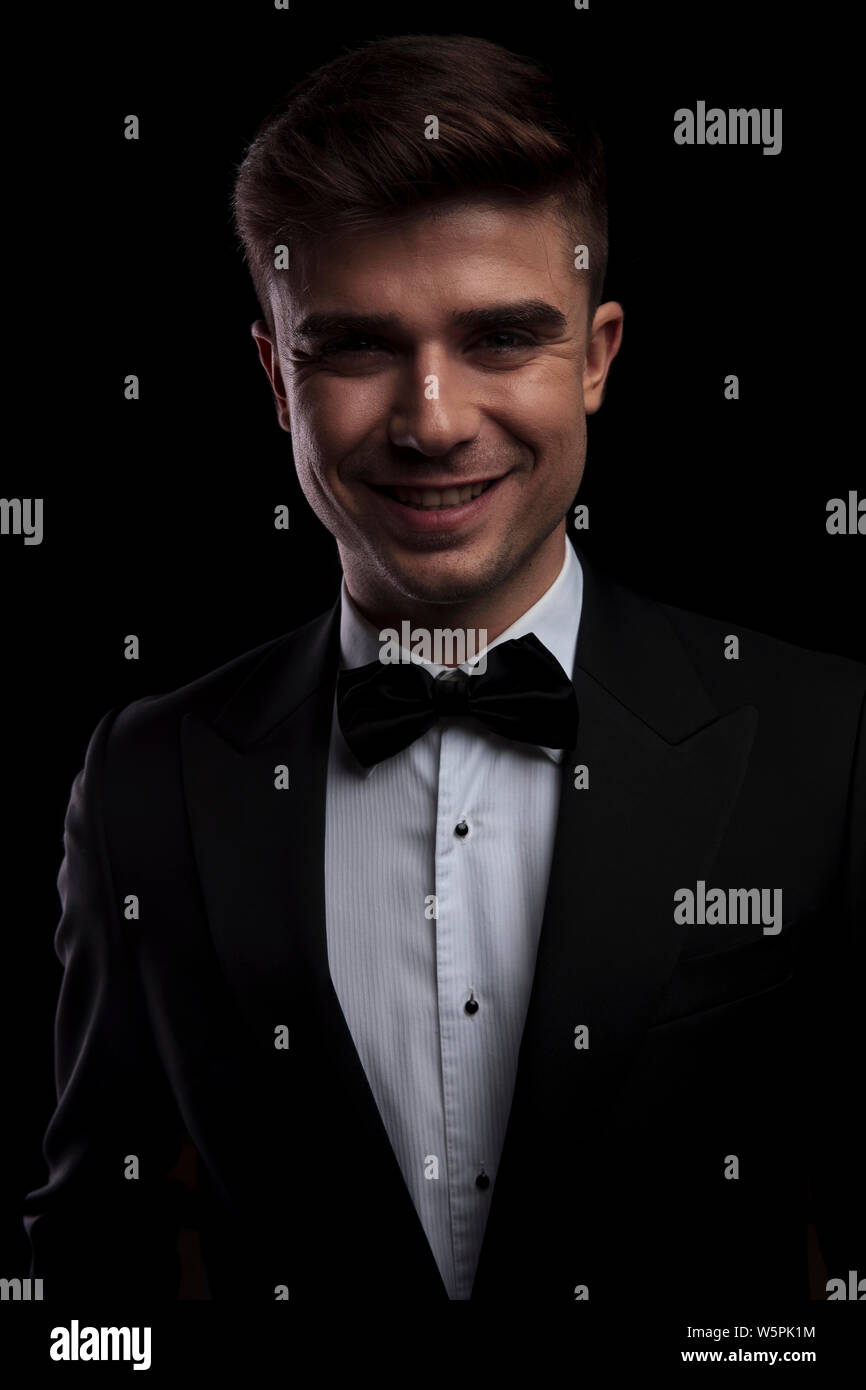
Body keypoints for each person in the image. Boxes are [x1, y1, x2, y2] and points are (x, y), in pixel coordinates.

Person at [23, 33, 864, 1304]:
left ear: (595, 356)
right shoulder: (142, 780)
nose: (430, 419)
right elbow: (89, 1278)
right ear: (274, 377)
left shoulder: (827, 739)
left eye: (500, 340)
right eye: (356, 347)